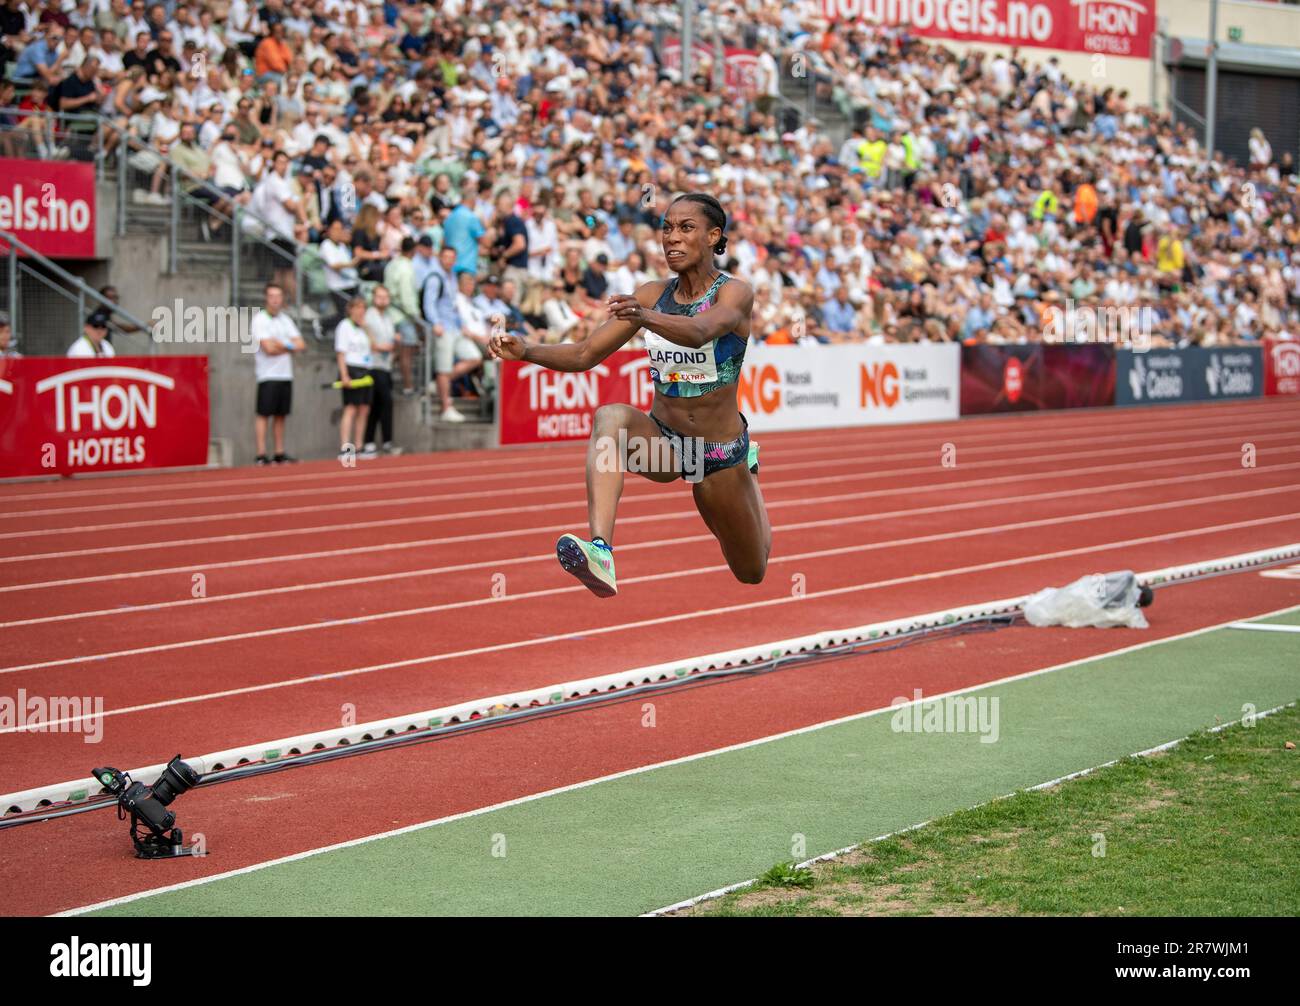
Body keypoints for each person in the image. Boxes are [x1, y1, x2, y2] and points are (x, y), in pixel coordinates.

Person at [489, 192, 770, 597]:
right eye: (667, 228)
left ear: (713, 236)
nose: (672, 237)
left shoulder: (734, 294)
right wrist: (526, 351)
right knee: (611, 417)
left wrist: (646, 317)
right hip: (669, 447)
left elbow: (702, 331)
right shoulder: (652, 294)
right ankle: (601, 551)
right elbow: (586, 354)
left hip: (718, 454)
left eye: (686, 228)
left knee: (751, 569)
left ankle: (752, 474)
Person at [251, 282, 305, 465]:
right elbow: (268, 348)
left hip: (285, 374)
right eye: (272, 296)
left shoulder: (285, 319)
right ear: (266, 298)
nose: (275, 300)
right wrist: (289, 346)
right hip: (267, 374)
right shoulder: (260, 320)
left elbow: (301, 344)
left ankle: (279, 452)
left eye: (278, 296)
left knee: (281, 415)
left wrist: (283, 345)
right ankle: (261, 454)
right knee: (264, 414)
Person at [362, 285, 402, 457]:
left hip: (385, 366)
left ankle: (373, 441)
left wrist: (394, 344)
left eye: (386, 297)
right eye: (379, 297)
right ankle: (381, 441)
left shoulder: (388, 317)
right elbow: (367, 341)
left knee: (380, 405)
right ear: (373, 297)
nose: (383, 300)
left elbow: (391, 343)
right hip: (372, 366)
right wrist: (381, 347)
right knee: (382, 403)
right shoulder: (368, 316)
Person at [334, 295, 373, 460]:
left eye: (363, 308)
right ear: (350, 309)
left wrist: (367, 329)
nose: (361, 311)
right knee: (350, 408)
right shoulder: (344, 326)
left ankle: (359, 446)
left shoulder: (363, 328)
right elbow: (341, 353)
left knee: (364, 409)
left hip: (365, 370)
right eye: (357, 307)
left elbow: (374, 345)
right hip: (351, 369)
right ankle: (346, 448)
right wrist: (344, 375)